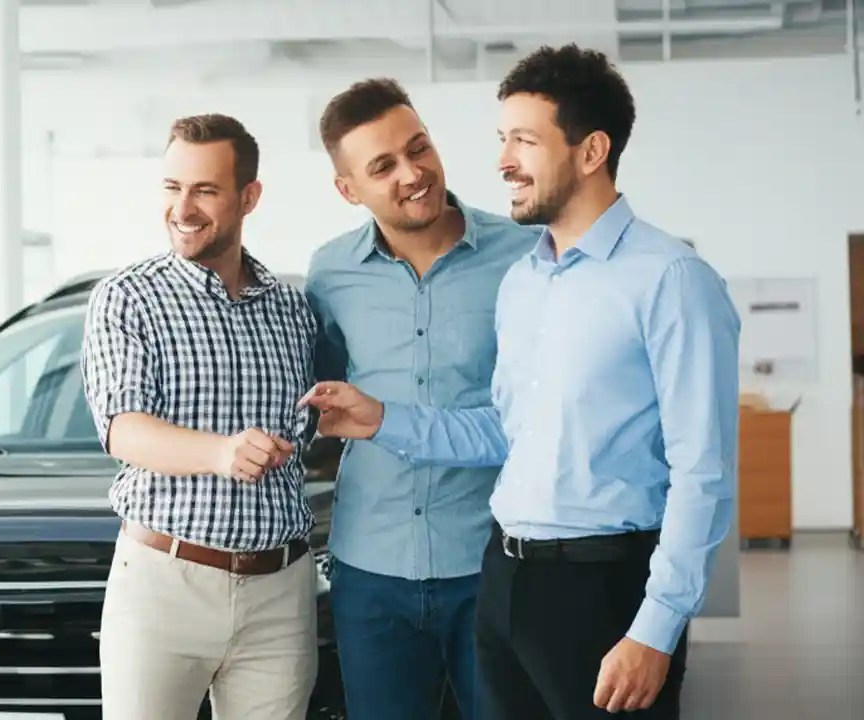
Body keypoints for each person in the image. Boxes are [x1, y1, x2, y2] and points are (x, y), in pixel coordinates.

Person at [300, 44, 739, 720]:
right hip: (505, 579)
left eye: (524, 141)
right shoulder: (528, 280)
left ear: (591, 152)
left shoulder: (671, 280)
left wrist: (657, 626)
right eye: (503, 139)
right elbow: (505, 429)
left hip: (602, 580)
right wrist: (383, 419)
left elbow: (703, 471)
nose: (503, 160)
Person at [304, 78, 536, 720]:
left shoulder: (523, 257)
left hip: (492, 564)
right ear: (348, 190)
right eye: (383, 166)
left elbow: (531, 422)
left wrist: (388, 421)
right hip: (369, 571)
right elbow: (318, 410)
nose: (413, 173)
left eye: (419, 148)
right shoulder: (329, 275)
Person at [80, 113, 319, 720]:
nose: (182, 208)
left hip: (280, 591)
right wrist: (220, 453)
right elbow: (122, 428)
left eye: (205, 191)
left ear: (249, 197)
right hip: (165, 583)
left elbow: (314, 431)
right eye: (172, 187)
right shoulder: (127, 298)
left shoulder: (293, 310)